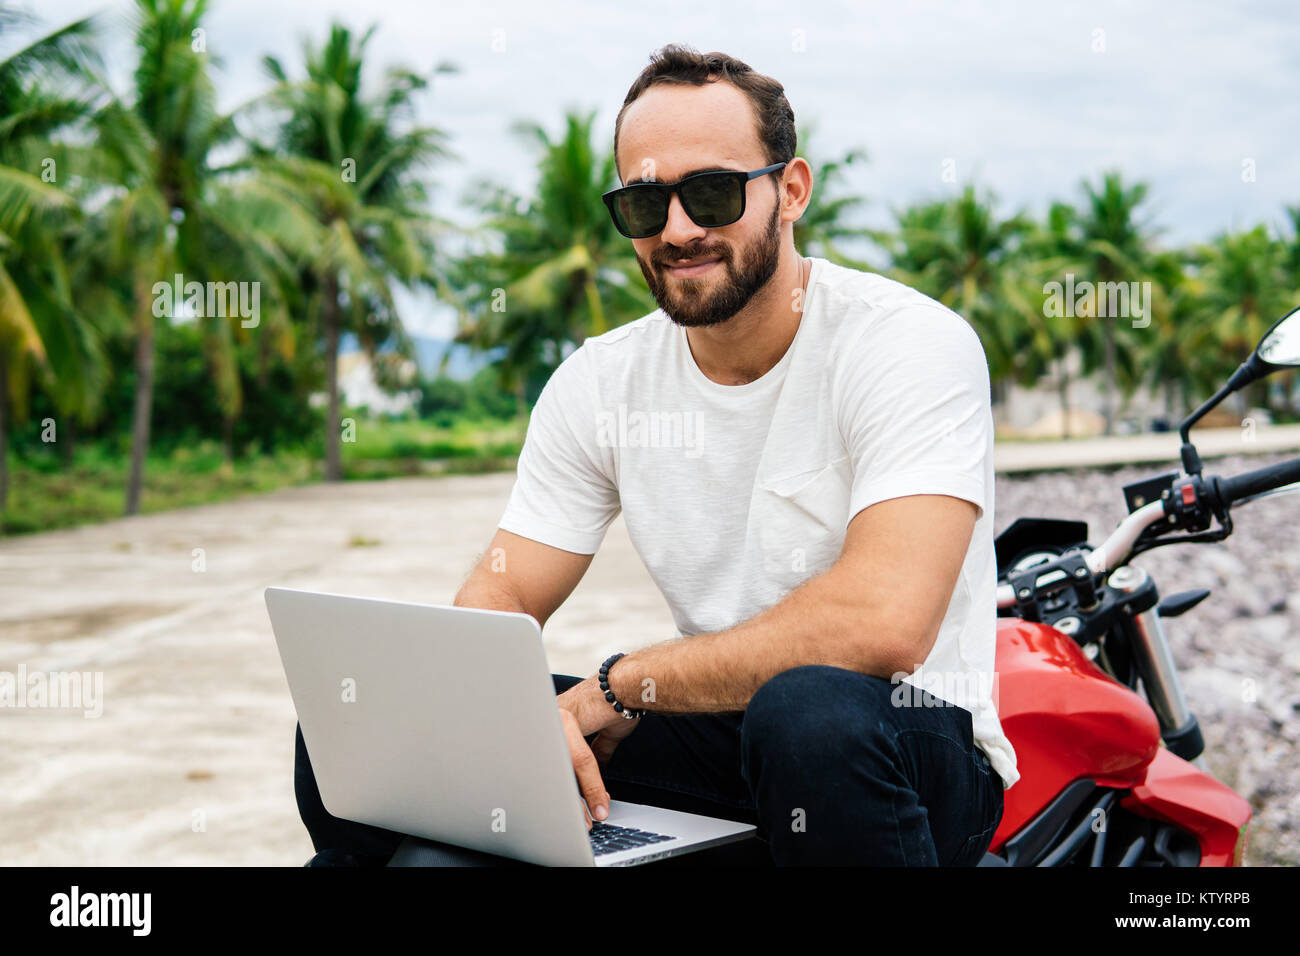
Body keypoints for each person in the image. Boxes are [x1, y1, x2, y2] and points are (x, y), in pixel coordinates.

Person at [296, 42, 1017, 867]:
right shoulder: (602, 380)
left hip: (911, 743)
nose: (678, 231)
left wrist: (618, 684)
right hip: (719, 736)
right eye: (645, 204)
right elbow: (504, 585)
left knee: (808, 715)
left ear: (791, 190)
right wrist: (501, 720)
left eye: (711, 193)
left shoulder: (907, 344)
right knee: (358, 723)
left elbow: (882, 623)